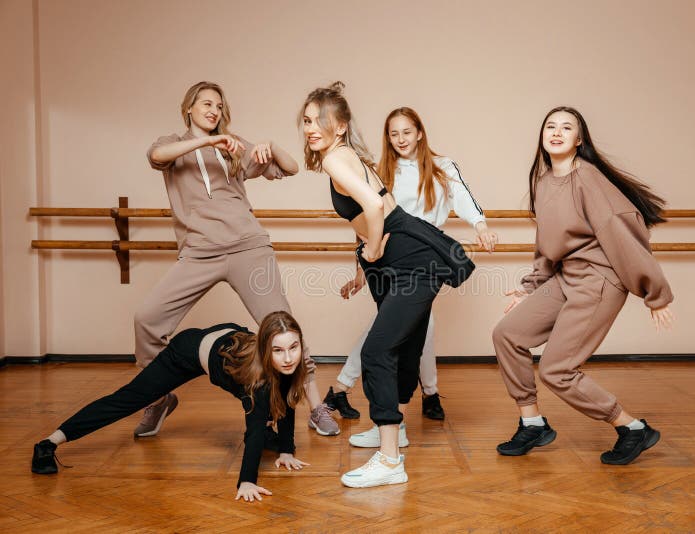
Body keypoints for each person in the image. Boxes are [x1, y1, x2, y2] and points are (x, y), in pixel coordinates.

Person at [135, 81, 338, 438]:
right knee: (147, 320)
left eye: (219, 106)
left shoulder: (233, 146)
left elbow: (290, 168)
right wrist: (207, 141)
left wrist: (270, 146)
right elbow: (157, 157)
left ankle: (315, 405)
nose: (213, 111)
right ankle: (158, 398)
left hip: (247, 248)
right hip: (200, 252)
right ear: (189, 108)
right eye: (206, 104)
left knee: (283, 326)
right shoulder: (174, 145)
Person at [300, 82, 474, 487]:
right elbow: (369, 212)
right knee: (406, 345)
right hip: (405, 255)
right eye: (306, 121)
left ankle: (390, 460)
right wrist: (368, 258)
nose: (310, 128)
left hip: (409, 258)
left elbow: (376, 206)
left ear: (340, 126)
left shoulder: (335, 159)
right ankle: (395, 431)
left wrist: (374, 248)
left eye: (319, 120)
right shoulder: (347, 154)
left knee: (377, 350)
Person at [492, 106, 675, 465]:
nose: (557, 132)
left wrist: (655, 294)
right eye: (550, 126)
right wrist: (531, 285)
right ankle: (532, 424)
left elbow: (621, 234)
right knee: (507, 335)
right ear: (542, 136)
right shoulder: (544, 182)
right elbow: (548, 242)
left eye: (566, 127)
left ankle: (632, 428)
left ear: (579, 140)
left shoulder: (588, 179)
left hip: (599, 280)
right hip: (566, 277)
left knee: (556, 370)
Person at [327, 107, 497, 427]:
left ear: (420, 132)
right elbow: (365, 222)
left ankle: (355, 391)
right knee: (397, 330)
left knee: (408, 328)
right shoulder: (381, 170)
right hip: (385, 258)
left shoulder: (442, 166)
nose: (401, 139)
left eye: (407, 132)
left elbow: (462, 196)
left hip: (421, 255)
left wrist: (481, 226)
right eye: (394, 134)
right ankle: (414, 399)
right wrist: (360, 269)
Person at [31, 311, 310, 502]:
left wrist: (287, 449)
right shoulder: (257, 382)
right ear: (265, 349)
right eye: (278, 350)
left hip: (227, 344)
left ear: (300, 344)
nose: (288, 358)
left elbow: (287, 398)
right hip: (188, 351)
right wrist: (246, 481)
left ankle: (270, 432)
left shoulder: (289, 365)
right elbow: (253, 433)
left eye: (293, 347)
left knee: (274, 390)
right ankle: (49, 442)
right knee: (127, 399)